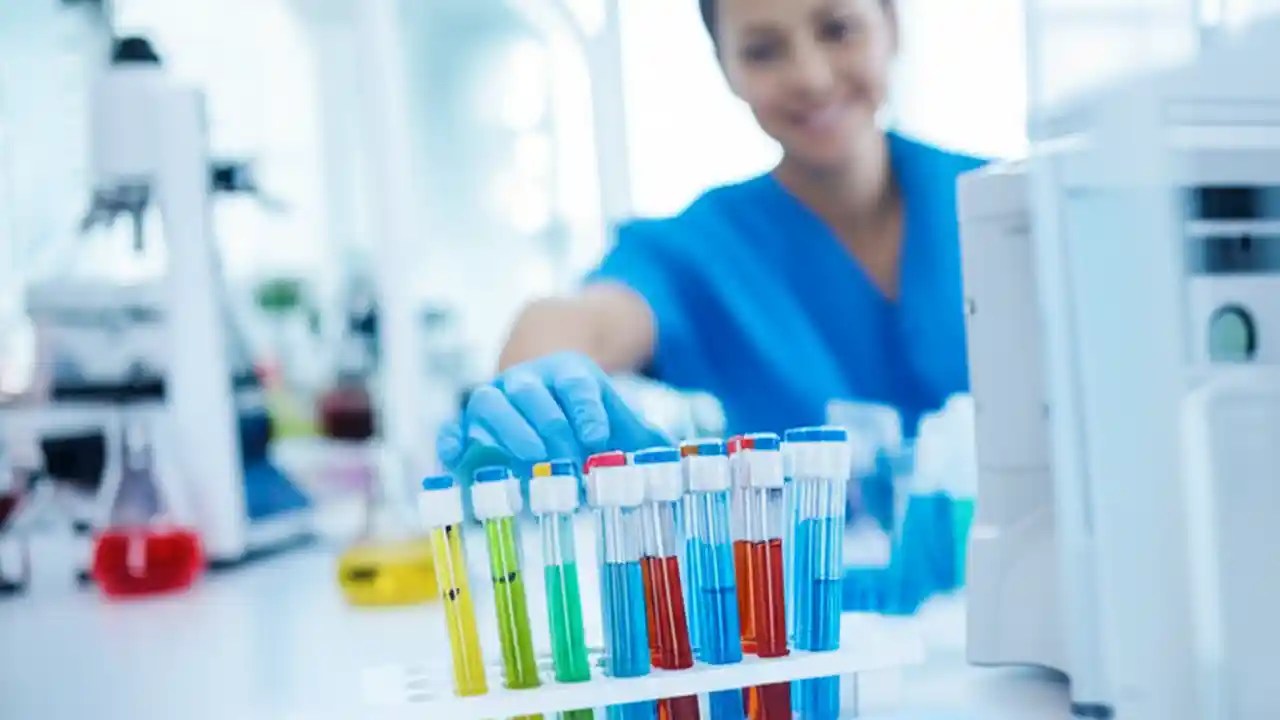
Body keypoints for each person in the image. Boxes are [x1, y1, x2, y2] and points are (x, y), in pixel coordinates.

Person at [437, 0, 985, 475]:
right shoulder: (698, 251)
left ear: (892, 22)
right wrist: (539, 375)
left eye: (838, 29)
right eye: (763, 50)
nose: (812, 77)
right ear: (725, 68)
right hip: (805, 593)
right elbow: (593, 321)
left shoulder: (1011, 207)